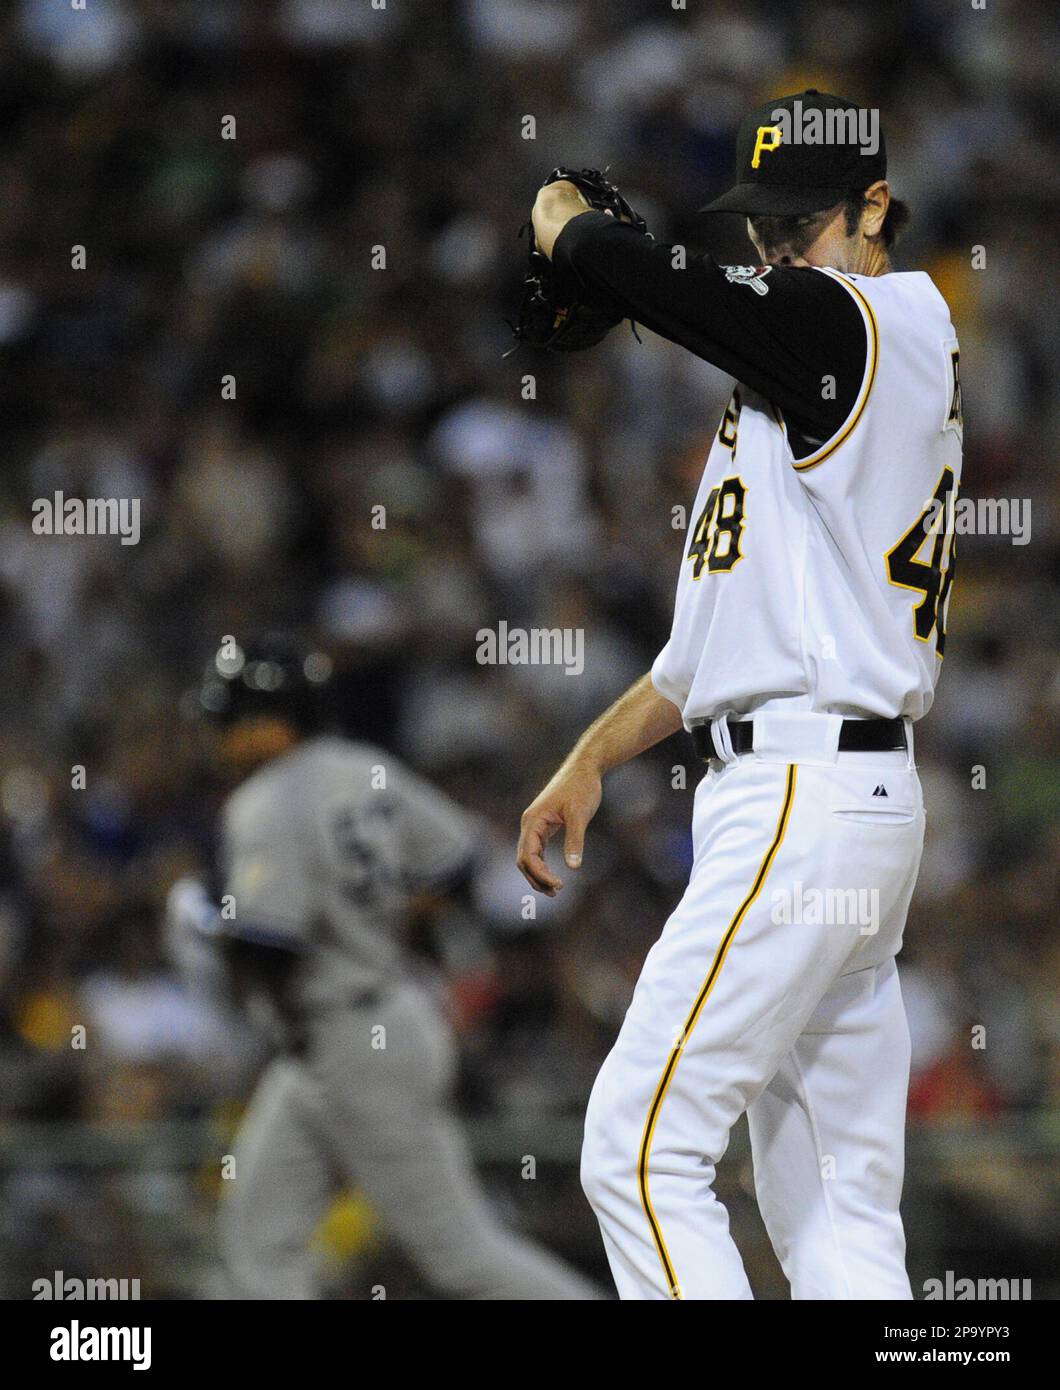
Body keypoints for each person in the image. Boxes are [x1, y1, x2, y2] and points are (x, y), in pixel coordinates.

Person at [516, 91, 962, 1300]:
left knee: (636, 1149)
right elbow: (703, 659)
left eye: (799, 221)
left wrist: (569, 228)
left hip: (802, 801)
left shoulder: (875, 325)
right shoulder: (797, 376)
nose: (772, 247)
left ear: (876, 208)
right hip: (837, 799)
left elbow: (671, 289)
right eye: (755, 225)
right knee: (833, 1212)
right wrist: (594, 756)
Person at [171, 633, 598, 1299]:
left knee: (461, 1255)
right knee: (257, 1243)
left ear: (268, 723)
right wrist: (380, 921)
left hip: (351, 1039)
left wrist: (206, 928)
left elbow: (269, 948)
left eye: (230, 721)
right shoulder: (363, 767)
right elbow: (459, 866)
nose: (219, 738)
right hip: (353, 1029)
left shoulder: (263, 803)